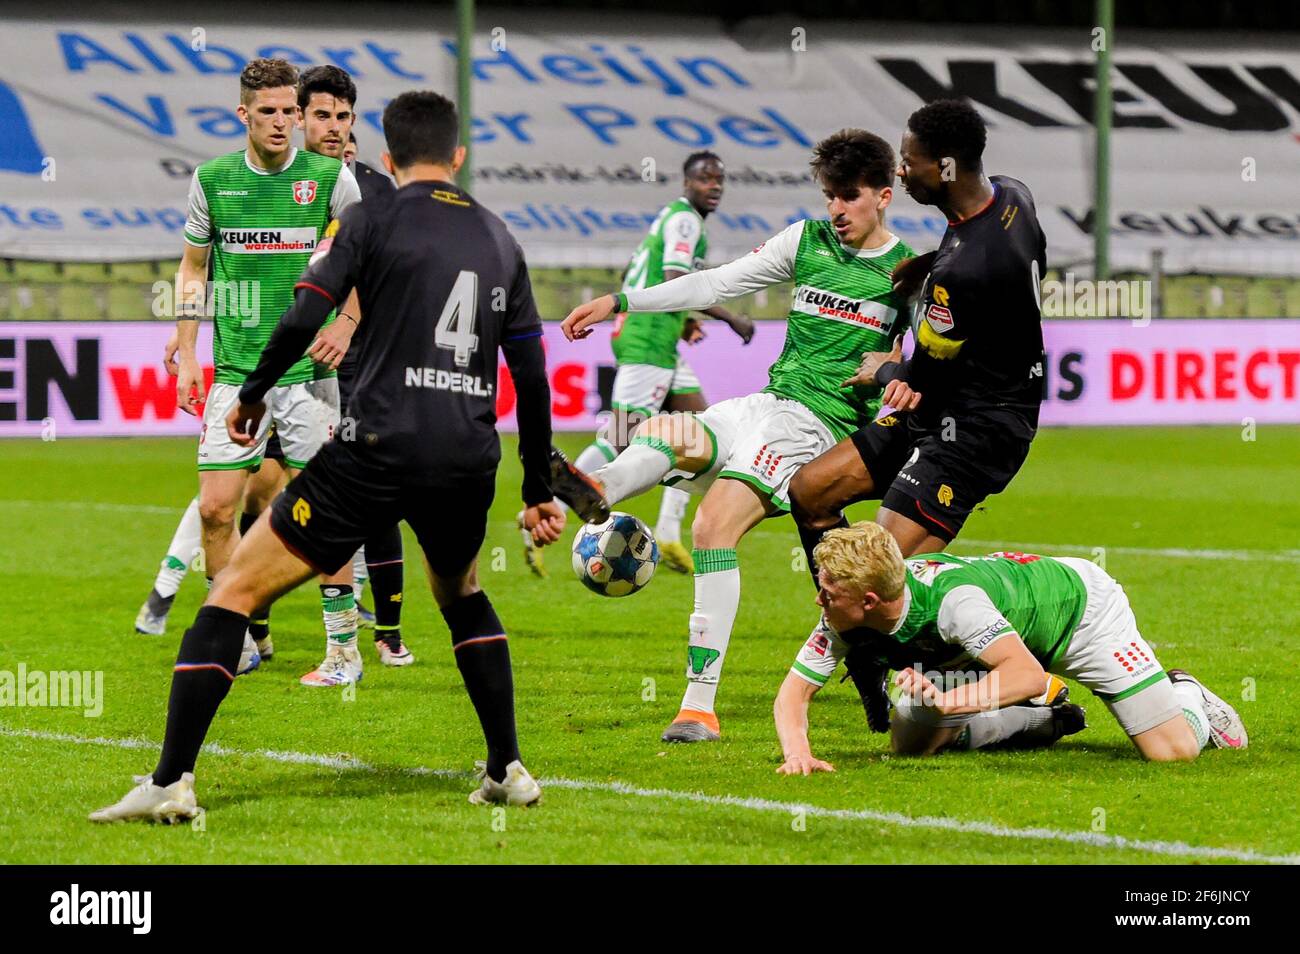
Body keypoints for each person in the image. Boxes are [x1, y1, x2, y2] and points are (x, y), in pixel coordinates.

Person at [91, 90, 562, 823]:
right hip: (468, 454)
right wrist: (537, 484)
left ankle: (170, 781)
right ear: (458, 156)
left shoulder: (370, 217)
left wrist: (250, 392)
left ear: (386, 153)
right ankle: (507, 768)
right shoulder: (501, 238)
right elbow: (532, 374)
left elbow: (308, 307)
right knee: (463, 593)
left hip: (376, 445)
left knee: (233, 592)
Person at [554, 129, 915, 743]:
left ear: (883, 196)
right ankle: (599, 487)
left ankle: (699, 706)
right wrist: (622, 299)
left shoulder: (907, 274)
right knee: (666, 430)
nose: (835, 209)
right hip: (766, 401)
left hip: (816, 426)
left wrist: (897, 375)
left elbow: (932, 359)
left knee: (710, 527)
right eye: (829, 195)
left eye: (848, 197)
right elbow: (716, 283)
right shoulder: (806, 240)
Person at [785, 99, 1051, 728]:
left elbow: (920, 377)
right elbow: (995, 262)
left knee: (883, 568)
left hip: (981, 425)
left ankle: (1021, 697)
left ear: (948, 167)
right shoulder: (1013, 195)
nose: (903, 173)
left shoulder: (964, 272)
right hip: (949, 407)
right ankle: (874, 665)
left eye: (912, 162)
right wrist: (930, 266)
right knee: (812, 490)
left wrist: (884, 371)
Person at [772, 522, 1246, 775]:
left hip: (1081, 616)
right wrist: (798, 753)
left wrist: (950, 700)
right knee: (912, 739)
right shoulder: (843, 614)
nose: (820, 599)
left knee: (1172, 753)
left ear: (870, 600)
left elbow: (1027, 676)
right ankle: (1045, 720)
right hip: (1001, 645)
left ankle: (1186, 695)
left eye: (829, 592)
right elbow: (793, 693)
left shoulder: (955, 603)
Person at [521, 151, 753, 578]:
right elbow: (673, 276)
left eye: (720, 178)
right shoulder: (686, 221)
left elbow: (636, 268)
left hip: (656, 337)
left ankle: (667, 530)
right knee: (622, 438)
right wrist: (729, 316)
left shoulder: (671, 216)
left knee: (698, 426)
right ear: (687, 182)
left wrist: (682, 322)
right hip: (648, 340)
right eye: (705, 178)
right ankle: (544, 507)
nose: (714, 185)